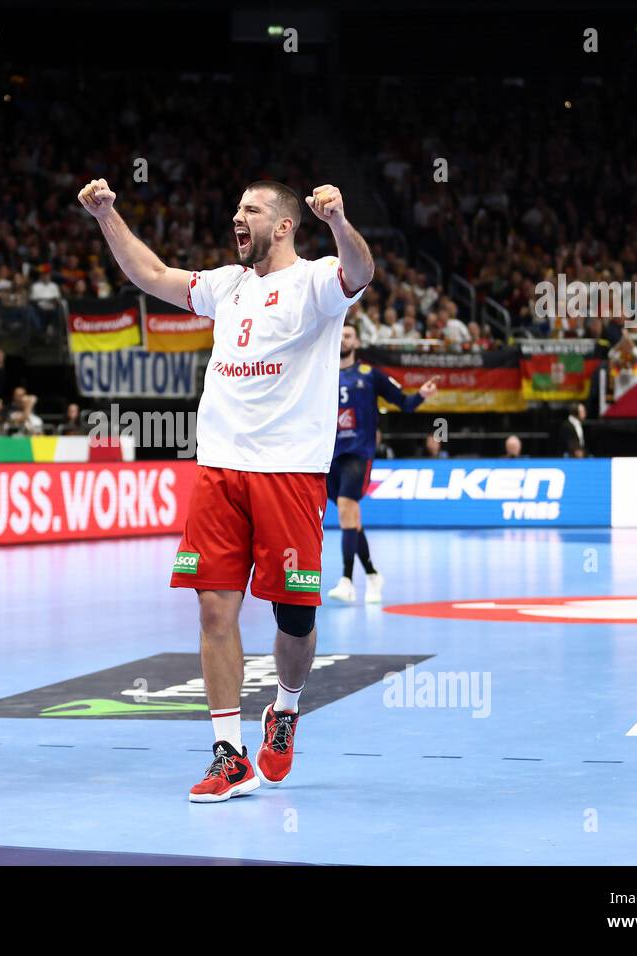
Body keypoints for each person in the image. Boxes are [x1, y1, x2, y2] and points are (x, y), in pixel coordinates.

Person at [81, 176, 372, 802]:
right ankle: (228, 754)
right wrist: (107, 215)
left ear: (285, 224)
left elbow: (360, 269)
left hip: (289, 472)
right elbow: (153, 275)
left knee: (295, 619)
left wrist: (341, 222)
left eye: (251, 210)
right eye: (235, 207)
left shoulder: (317, 282)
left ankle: (286, 709)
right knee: (214, 608)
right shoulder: (226, 285)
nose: (236, 217)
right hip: (218, 469)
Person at [326, 322, 435, 604]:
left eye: (348, 335)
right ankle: (373, 574)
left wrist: (421, 394)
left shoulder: (370, 375)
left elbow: (405, 403)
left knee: (348, 510)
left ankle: (347, 581)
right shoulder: (320, 372)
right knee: (350, 519)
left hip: (358, 453)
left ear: (357, 342)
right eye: (339, 334)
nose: (343, 338)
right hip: (328, 455)